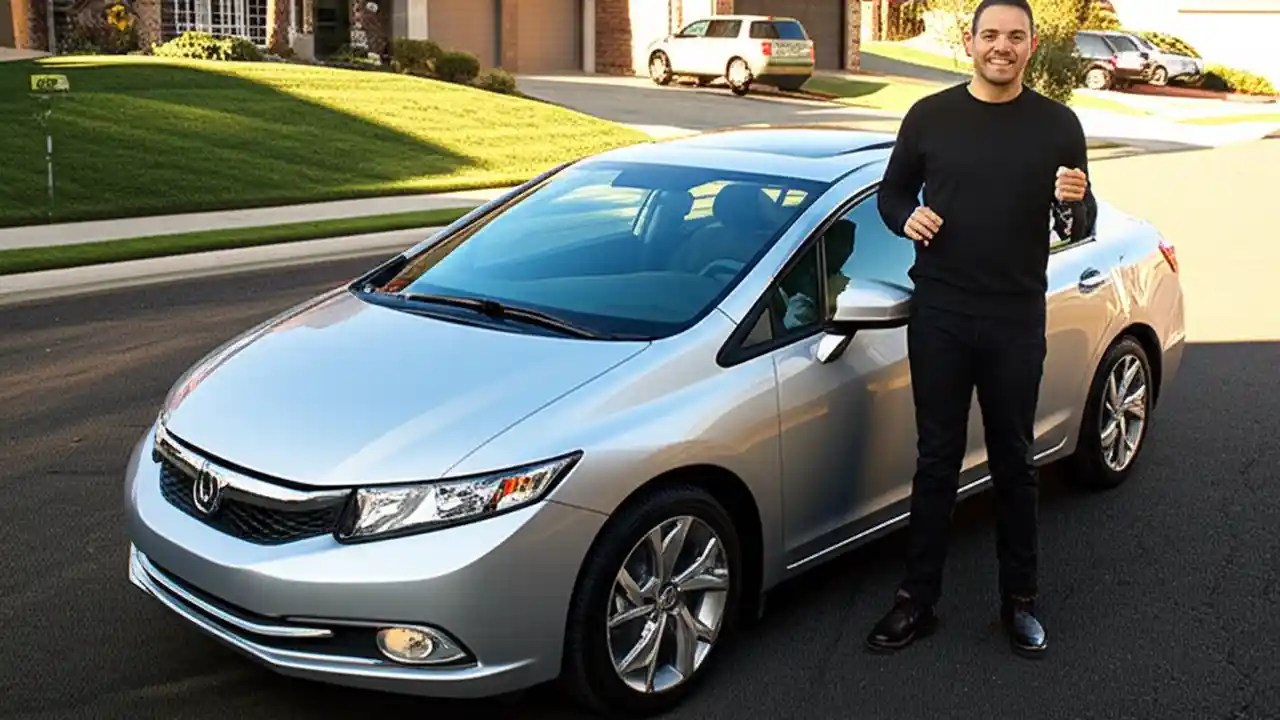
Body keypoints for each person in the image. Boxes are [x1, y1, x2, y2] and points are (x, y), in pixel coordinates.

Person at [864, 0, 1097, 657]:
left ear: (1031, 46)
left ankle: (1019, 601)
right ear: (969, 43)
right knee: (936, 460)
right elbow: (891, 194)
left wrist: (1074, 203)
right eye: (990, 34)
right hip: (939, 313)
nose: (1002, 46)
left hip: (1015, 316)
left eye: (1015, 37)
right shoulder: (930, 117)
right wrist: (906, 217)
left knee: (1014, 462)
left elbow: (1077, 220)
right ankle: (918, 600)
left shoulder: (1058, 125)